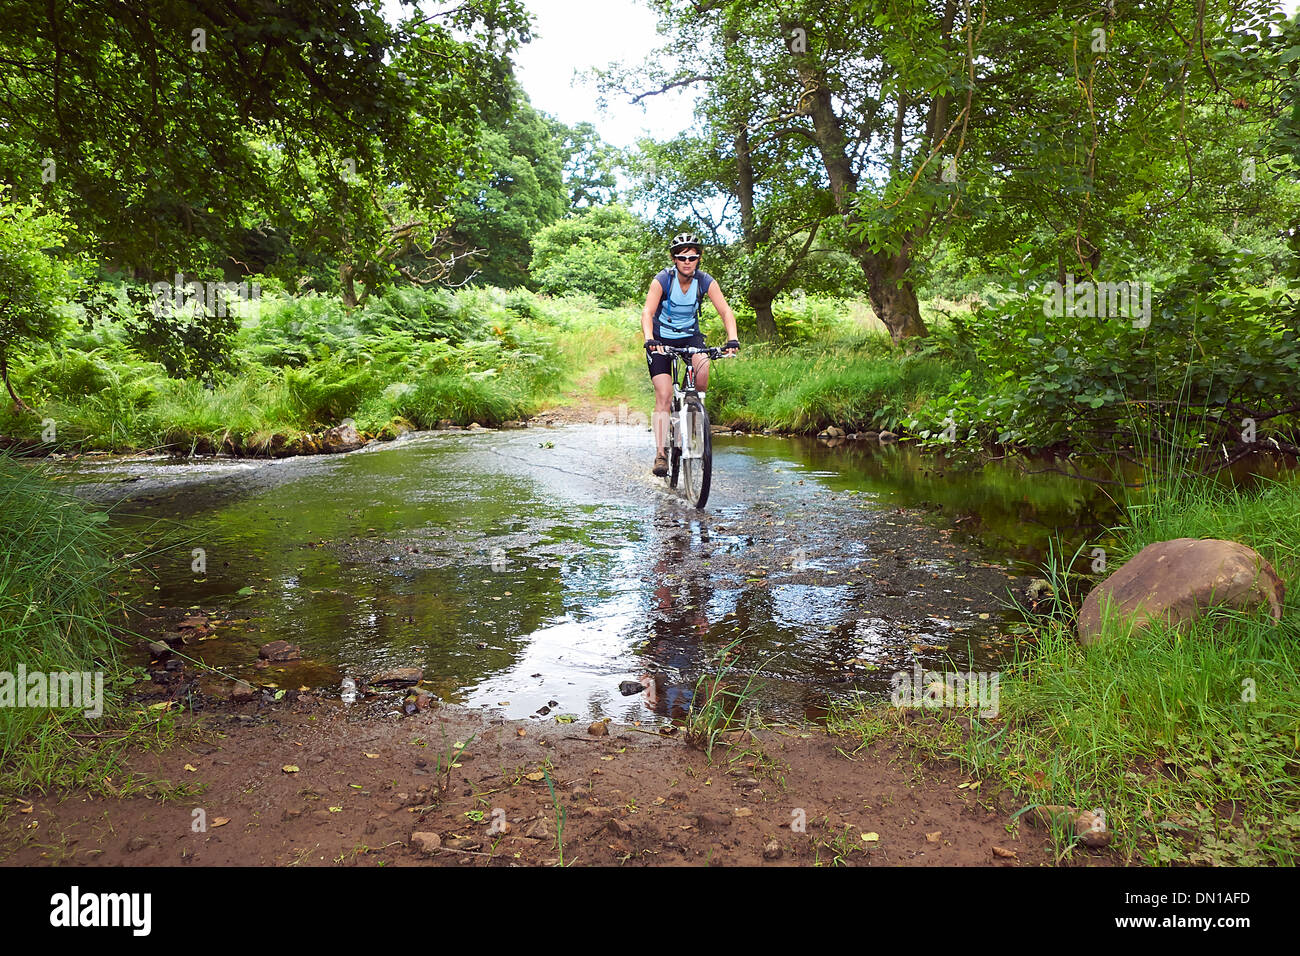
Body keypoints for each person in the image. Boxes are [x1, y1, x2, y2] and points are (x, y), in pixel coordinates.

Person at [641, 232, 740, 476]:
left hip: (690, 336)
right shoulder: (663, 279)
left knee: (703, 367)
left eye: (692, 257)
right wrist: (650, 340)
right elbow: (647, 312)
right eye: (682, 257)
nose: (687, 261)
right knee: (664, 394)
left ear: (699, 258)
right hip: (661, 338)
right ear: (674, 259)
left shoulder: (705, 281)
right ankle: (661, 454)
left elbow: (726, 311)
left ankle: (691, 409)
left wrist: (732, 339)